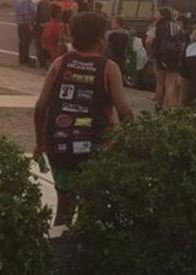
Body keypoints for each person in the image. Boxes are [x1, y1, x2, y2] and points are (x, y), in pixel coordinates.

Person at [33, 12, 134, 226]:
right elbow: (125, 113)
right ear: (100, 39)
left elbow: (40, 107)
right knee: (91, 210)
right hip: (96, 150)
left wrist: (40, 143)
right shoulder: (109, 68)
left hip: (60, 148)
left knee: (64, 209)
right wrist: (131, 146)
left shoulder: (60, 63)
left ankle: (59, 254)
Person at [148, 7, 184, 110]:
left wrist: (151, 54)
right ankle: (170, 107)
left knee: (160, 83)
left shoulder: (156, 27)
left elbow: (148, 41)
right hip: (174, 56)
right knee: (170, 83)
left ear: (162, 16)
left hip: (160, 55)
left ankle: (159, 105)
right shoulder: (176, 26)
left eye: (157, 14)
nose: (155, 16)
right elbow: (182, 39)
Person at [14, 0, 37, 67]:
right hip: (24, 24)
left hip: (23, 24)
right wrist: (29, 25)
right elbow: (26, 14)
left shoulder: (26, 1)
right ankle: (24, 59)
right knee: (25, 42)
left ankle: (25, 58)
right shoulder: (24, 2)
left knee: (25, 42)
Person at [34, 0, 52, 68]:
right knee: (45, 43)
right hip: (45, 25)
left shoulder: (40, 3)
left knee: (39, 43)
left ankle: (41, 60)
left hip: (40, 25)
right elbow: (48, 15)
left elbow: (37, 15)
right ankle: (44, 61)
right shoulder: (48, 3)